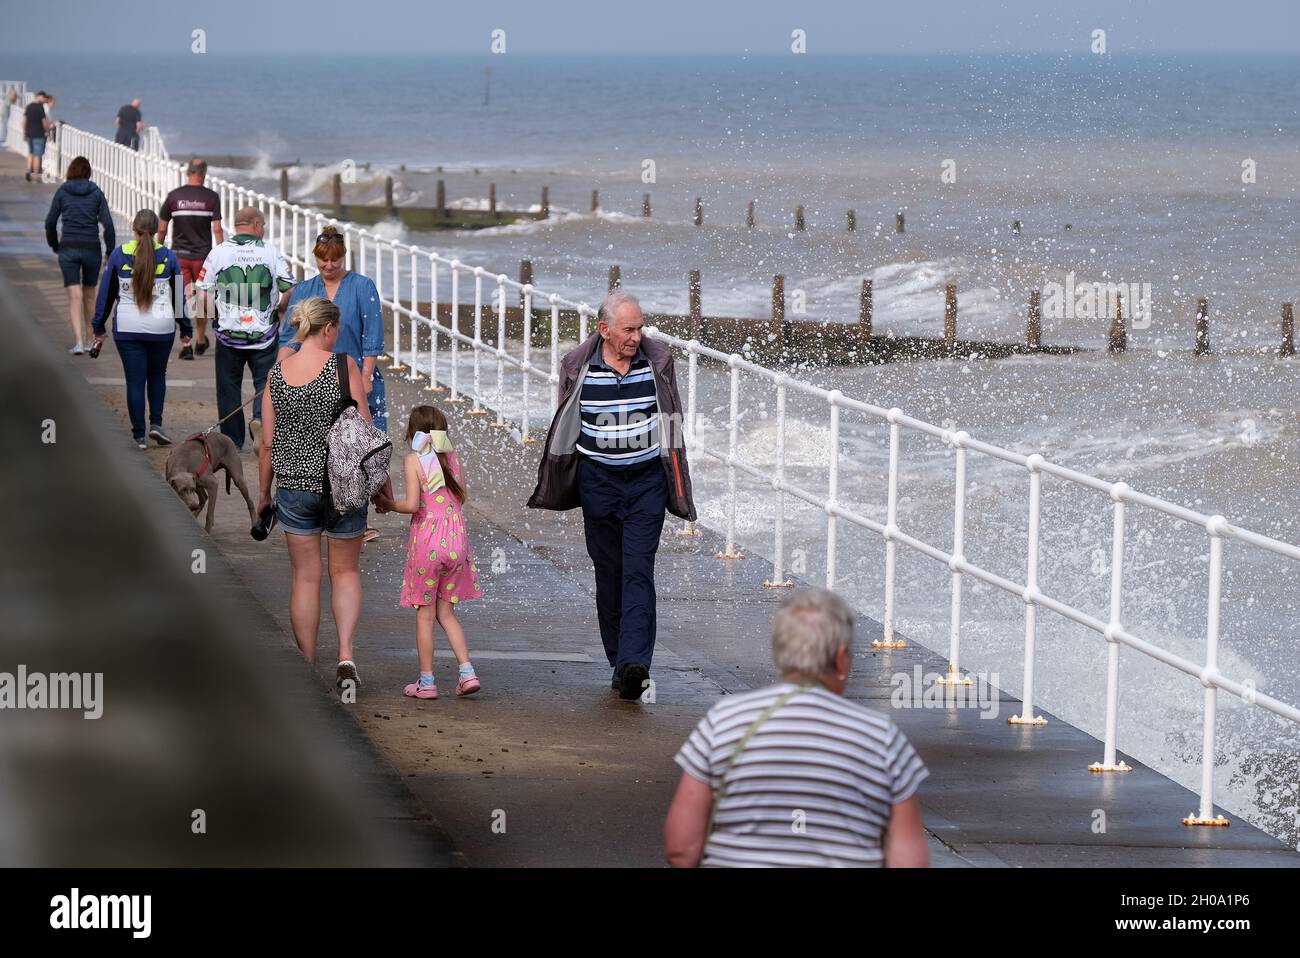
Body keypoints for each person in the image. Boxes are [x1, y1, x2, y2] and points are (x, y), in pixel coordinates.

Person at [664, 588, 932, 868]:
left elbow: (681, 849)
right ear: (841, 658)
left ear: (780, 653)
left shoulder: (723, 722)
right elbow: (908, 860)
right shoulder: (881, 738)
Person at [527, 290, 696, 700]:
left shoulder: (658, 362)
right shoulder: (578, 365)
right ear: (604, 330)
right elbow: (566, 420)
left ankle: (635, 664)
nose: (636, 336)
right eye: (628, 329)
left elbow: (672, 418)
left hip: (646, 483)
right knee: (610, 573)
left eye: (640, 328)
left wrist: (675, 471)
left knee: (638, 569)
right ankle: (619, 661)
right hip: (597, 481)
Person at [259, 297, 391, 685]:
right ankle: (346, 654)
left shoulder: (277, 374)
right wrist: (382, 487)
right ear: (329, 328)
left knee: (305, 577)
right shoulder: (342, 366)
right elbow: (366, 435)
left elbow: (267, 444)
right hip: (343, 485)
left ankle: (306, 665)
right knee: (345, 571)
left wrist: (264, 495)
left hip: (294, 486)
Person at [279, 225, 387, 541]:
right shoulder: (303, 291)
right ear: (315, 258)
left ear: (343, 257)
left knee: (358, 449)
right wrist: (280, 371)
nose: (328, 266)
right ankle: (321, 513)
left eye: (334, 260)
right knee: (319, 448)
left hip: (355, 380)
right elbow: (289, 338)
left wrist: (366, 377)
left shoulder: (363, 286)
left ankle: (358, 519)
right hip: (314, 379)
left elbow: (373, 339)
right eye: (323, 261)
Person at [377, 405, 483, 699]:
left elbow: (412, 505)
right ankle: (467, 672)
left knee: (425, 616)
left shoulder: (414, 460)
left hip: (428, 544)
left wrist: (387, 504)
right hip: (456, 543)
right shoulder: (452, 457)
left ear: (412, 432)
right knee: (446, 613)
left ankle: (427, 682)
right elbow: (460, 496)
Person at [192, 205, 291, 451]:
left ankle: (232, 442)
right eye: (263, 225)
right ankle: (259, 420)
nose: (264, 230)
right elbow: (288, 289)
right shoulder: (270, 252)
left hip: (229, 335)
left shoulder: (218, 253)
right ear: (256, 224)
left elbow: (202, 295)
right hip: (264, 334)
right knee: (265, 383)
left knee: (228, 388)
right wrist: (279, 309)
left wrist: (213, 320)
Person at [89, 210, 190, 449]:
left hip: (128, 328)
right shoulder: (168, 256)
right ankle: (156, 424)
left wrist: (98, 326)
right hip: (162, 328)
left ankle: (139, 436)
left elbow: (106, 296)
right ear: (157, 230)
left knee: (135, 381)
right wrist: (185, 328)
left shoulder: (118, 255)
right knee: (157, 376)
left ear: (133, 227)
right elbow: (179, 299)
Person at [45, 156, 115, 355]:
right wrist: (109, 251)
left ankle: (78, 342)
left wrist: (54, 244)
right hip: (92, 247)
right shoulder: (95, 192)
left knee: (74, 295)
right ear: (88, 173)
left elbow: (50, 222)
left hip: (68, 248)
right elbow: (108, 225)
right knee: (90, 294)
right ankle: (92, 339)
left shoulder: (63, 191)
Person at [158, 158, 224, 358]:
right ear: (204, 174)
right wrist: (221, 255)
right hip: (203, 257)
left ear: (188, 173)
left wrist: (158, 250)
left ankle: (186, 343)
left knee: (182, 299)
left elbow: (161, 228)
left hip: (179, 256)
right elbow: (218, 228)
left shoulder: (174, 197)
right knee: (202, 298)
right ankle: (201, 339)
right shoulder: (211, 197)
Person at [23, 91, 51, 182]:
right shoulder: (40, 108)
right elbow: (44, 121)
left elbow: (24, 121)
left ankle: (28, 171)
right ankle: (35, 174)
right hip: (38, 134)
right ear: (39, 97)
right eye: (44, 98)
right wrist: (48, 131)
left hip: (29, 134)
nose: (44, 100)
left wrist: (24, 132)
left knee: (31, 153)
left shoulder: (29, 106)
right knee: (37, 155)